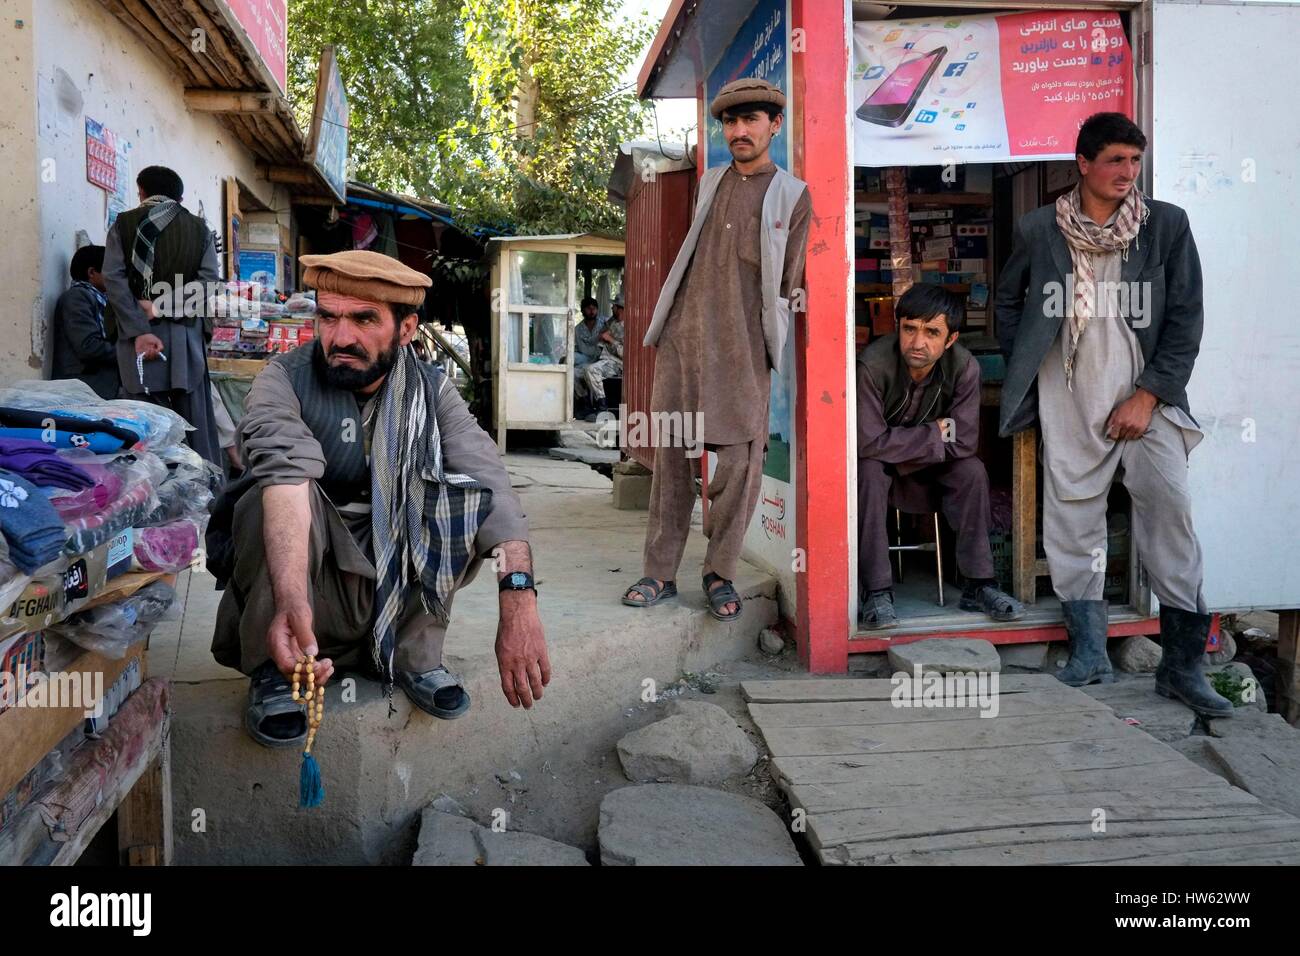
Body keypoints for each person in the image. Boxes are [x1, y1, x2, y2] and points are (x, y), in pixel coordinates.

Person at [209, 250, 551, 747]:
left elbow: (491, 485)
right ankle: (278, 667)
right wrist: (288, 599)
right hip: (310, 569)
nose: (341, 337)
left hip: (389, 567)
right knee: (271, 498)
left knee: (457, 497)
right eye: (329, 317)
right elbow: (285, 474)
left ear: (406, 329)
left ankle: (412, 654)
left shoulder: (433, 392)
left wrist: (519, 604)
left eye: (364, 319)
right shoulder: (281, 379)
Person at [996, 111, 1230, 717]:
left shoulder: (1165, 226)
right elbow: (1008, 301)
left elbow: (1185, 319)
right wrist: (1031, 363)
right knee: (1072, 514)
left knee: (1170, 510)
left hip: (1146, 399)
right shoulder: (1039, 228)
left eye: (1135, 160)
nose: (1128, 172)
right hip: (1069, 392)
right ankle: (1090, 653)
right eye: (1116, 160)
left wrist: (1148, 395)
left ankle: (1182, 667)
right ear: (1083, 163)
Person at [623, 77, 811, 622]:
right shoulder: (709, 181)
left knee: (740, 462)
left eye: (751, 120)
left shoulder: (793, 196)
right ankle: (659, 572)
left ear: (774, 125)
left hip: (743, 352)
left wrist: (771, 352)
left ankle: (718, 571)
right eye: (731, 122)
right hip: (685, 342)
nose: (739, 130)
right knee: (673, 465)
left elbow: (785, 286)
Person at [857, 286, 1024, 629]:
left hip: (933, 473)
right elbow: (868, 442)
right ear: (897, 327)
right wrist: (935, 434)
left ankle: (979, 585)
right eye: (909, 328)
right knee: (869, 470)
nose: (918, 342)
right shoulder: (872, 365)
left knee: (972, 470)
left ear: (950, 339)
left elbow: (963, 442)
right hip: (883, 476)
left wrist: (904, 446)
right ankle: (875, 591)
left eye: (932, 332)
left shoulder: (964, 367)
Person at [103, 165, 221, 465]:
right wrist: (162, 306)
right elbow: (207, 283)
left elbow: (113, 280)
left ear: (142, 191)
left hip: (137, 338)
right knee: (193, 422)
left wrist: (141, 327)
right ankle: (201, 492)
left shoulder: (124, 225)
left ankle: (144, 492)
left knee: (141, 421)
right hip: (185, 338)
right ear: (179, 197)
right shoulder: (199, 228)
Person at [50, 245, 120, 399]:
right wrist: (128, 352)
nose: (116, 277)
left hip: (98, 386)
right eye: (112, 270)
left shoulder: (101, 299)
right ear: (92, 272)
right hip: (84, 387)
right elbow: (88, 346)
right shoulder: (77, 298)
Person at [577, 294, 624, 420]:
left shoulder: (629, 327)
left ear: (620, 309)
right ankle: (586, 407)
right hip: (602, 358)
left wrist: (611, 340)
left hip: (616, 363)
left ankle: (602, 409)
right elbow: (600, 336)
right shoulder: (611, 322)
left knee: (591, 370)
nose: (612, 307)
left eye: (614, 306)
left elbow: (627, 354)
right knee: (576, 373)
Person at [573, 297, 603, 368]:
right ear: (582, 310)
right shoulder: (577, 329)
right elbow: (577, 348)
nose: (592, 311)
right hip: (584, 357)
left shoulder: (605, 323)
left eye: (594, 308)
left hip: (601, 358)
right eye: (589, 308)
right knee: (570, 358)